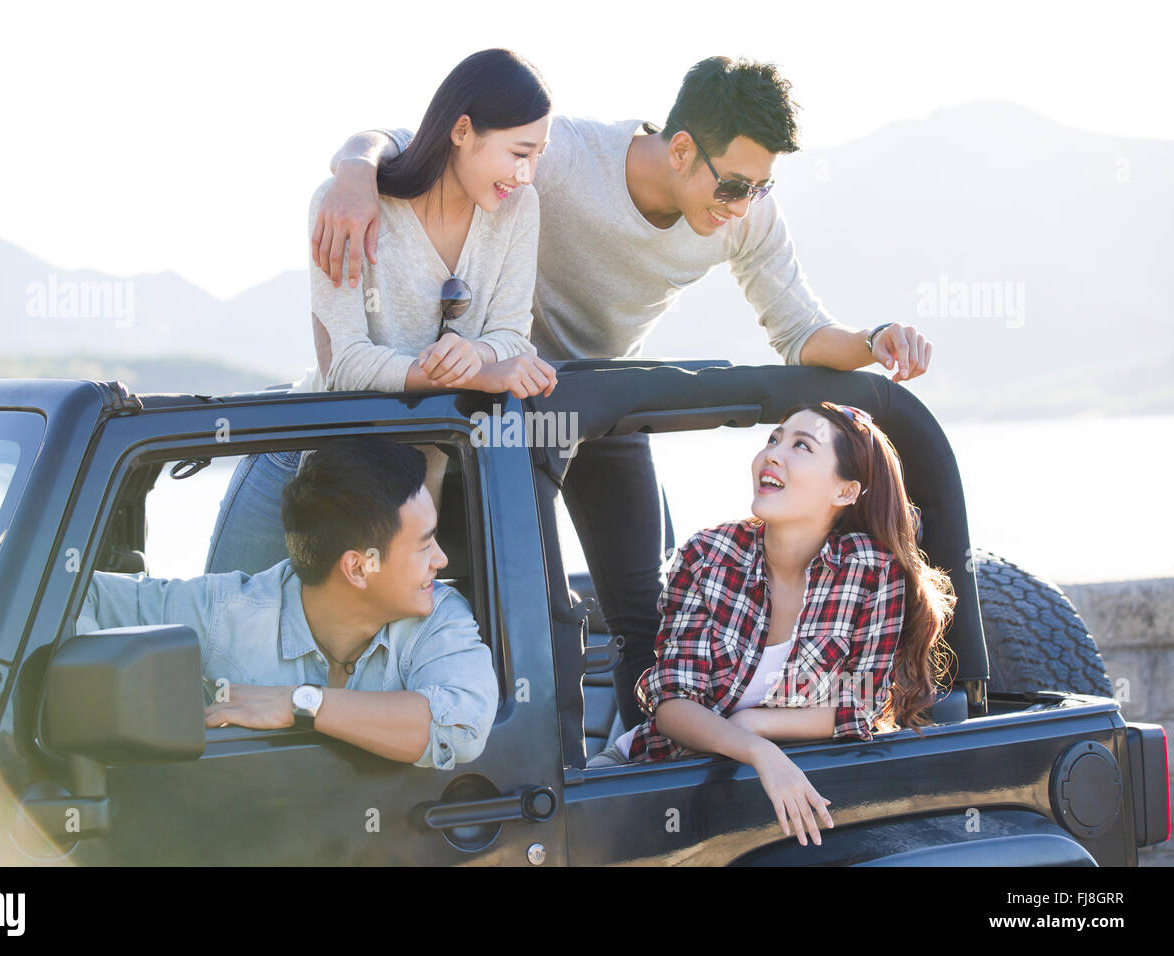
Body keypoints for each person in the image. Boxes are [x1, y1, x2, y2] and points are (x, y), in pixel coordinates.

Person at [312, 55, 937, 749]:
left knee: (645, 610)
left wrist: (873, 339)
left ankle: (654, 770)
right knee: (523, 611)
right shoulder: (558, 158)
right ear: (679, 149)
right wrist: (351, 174)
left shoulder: (747, 214)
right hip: (496, 405)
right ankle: (545, 777)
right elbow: (416, 143)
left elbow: (801, 333)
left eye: (761, 187)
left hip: (603, 400)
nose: (742, 206)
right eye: (733, 185)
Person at [205, 48, 558, 578]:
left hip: (409, 489)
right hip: (303, 460)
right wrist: (467, 372)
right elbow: (344, 366)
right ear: (462, 130)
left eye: (537, 155)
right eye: (519, 152)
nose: (527, 174)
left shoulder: (517, 209)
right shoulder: (344, 205)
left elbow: (512, 337)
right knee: (225, 635)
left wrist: (474, 354)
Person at [587, 402, 956, 850]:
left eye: (802, 445)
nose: (773, 454)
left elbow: (860, 706)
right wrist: (758, 752)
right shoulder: (709, 554)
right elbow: (670, 705)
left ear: (845, 491)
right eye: (773, 439)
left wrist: (756, 723)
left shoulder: (872, 571)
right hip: (654, 768)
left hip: (760, 792)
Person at [77, 438, 498, 770]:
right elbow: (76, 590)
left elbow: (461, 728)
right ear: (358, 568)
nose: (442, 561)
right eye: (425, 546)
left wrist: (299, 702)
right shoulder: (225, 612)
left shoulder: (437, 615)